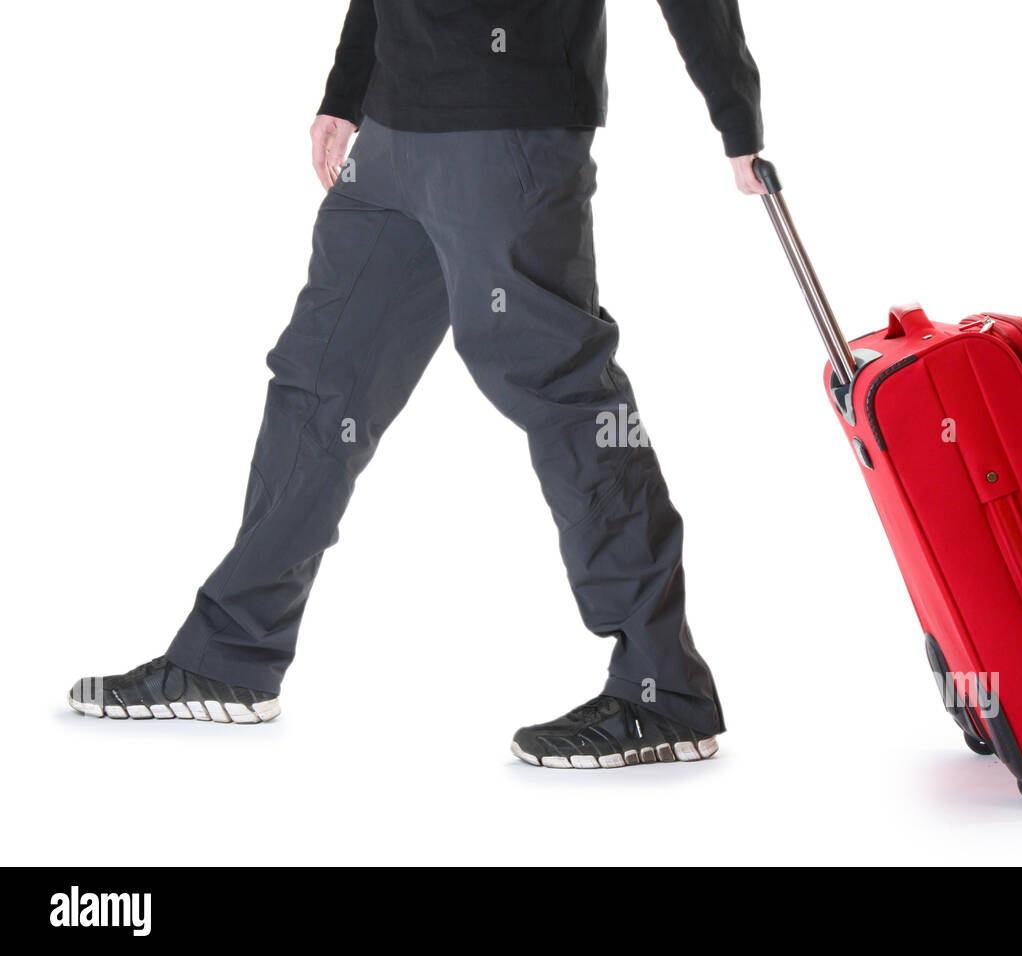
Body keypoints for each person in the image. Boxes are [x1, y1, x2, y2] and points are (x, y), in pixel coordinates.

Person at [67, 0, 766, 770]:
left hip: (509, 121)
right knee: (321, 381)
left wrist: (734, 112)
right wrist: (348, 87)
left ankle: (663, 688)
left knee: (562, 390)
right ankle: (230, 654)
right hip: (394, 130)